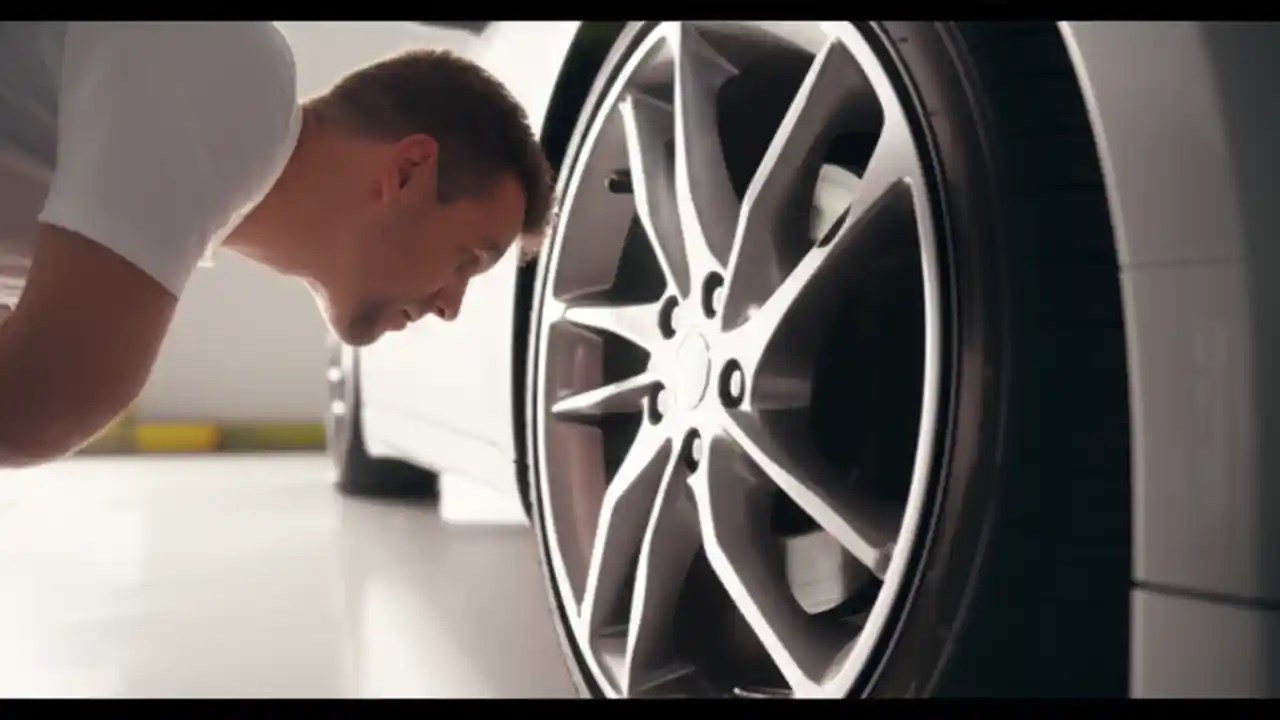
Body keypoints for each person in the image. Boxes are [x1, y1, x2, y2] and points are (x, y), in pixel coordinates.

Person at [0, 22, 556, 468]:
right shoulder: (233, 66)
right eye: (466, 261)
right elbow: (43, 404)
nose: (450, 307)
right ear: (409, 172)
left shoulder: (130, 204)